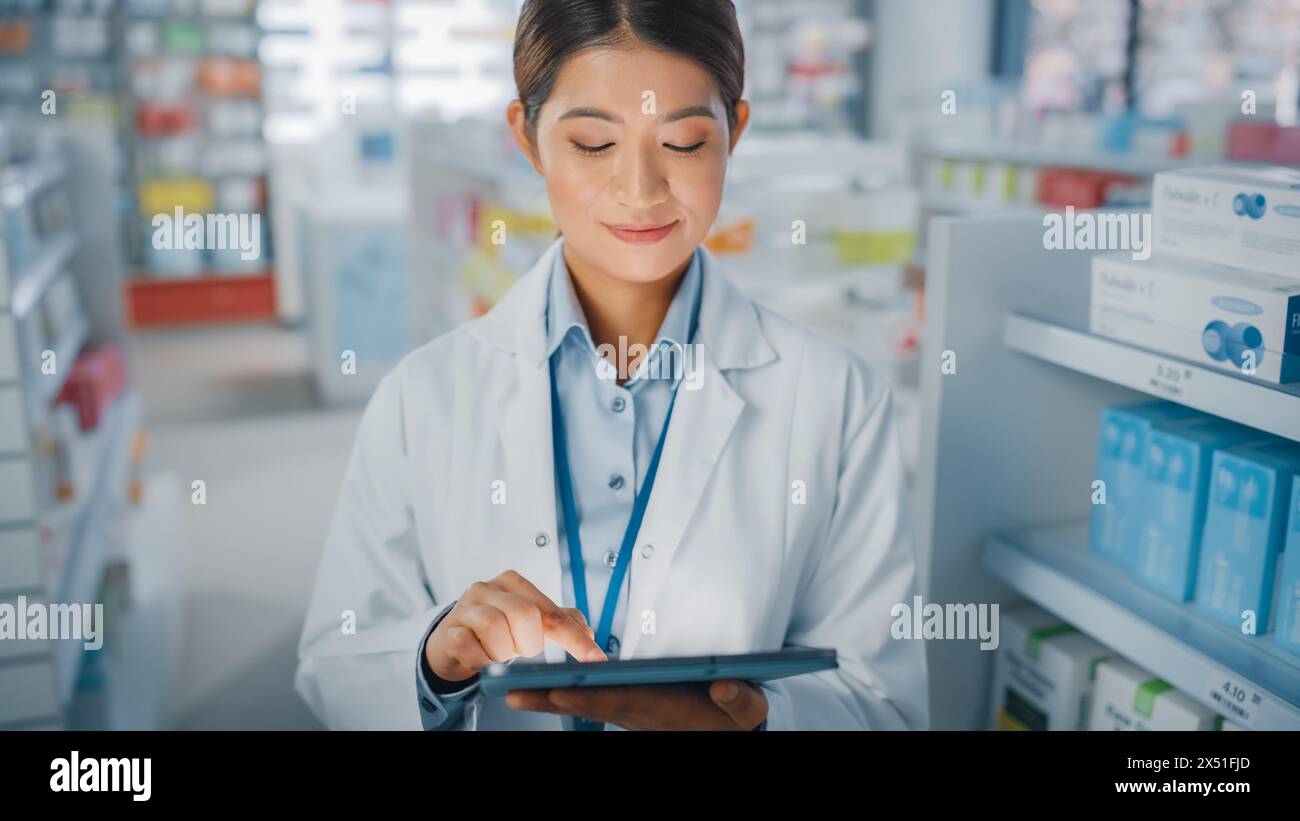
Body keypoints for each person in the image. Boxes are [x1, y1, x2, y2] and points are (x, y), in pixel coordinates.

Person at [295, 0, 929, 731]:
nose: (640, 189)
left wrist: (758, 724)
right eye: (594, 143)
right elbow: (334, 662)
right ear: (528, 140)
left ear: (736, 133)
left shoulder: (835, 398)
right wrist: (429, 662)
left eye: (686, 142)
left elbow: (889, 703)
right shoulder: (422, 397)